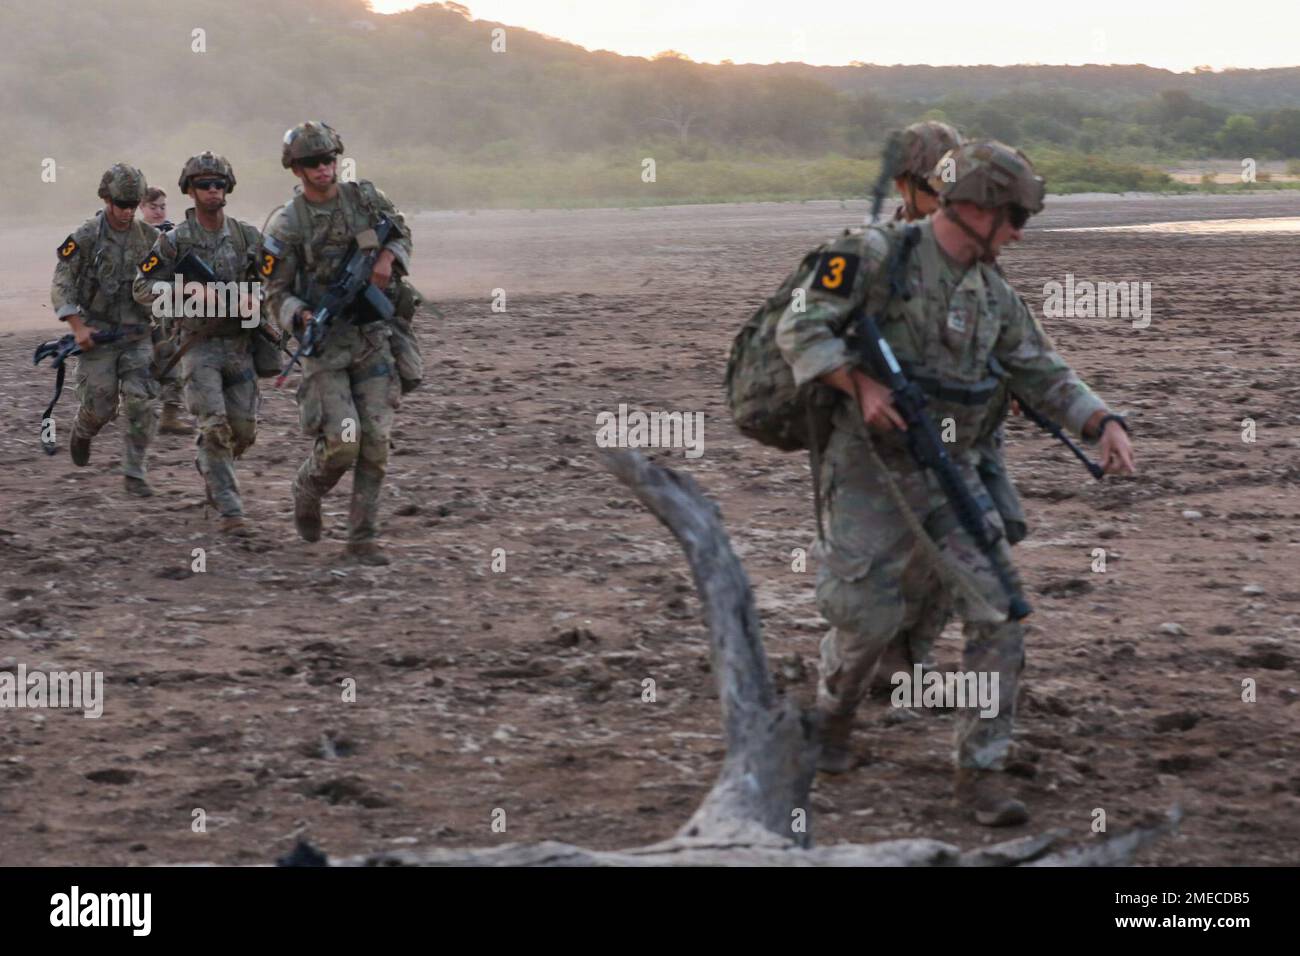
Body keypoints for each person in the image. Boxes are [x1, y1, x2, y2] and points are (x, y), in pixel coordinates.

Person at [775, 141, 1136, 825]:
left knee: (1000, 611)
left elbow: (1039, 368)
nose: (1019, 232)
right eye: (1012, 216)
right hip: (870, 471)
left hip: (953, 474)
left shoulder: (991, 291)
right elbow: (801, 324)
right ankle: (833, 716)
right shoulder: (869, 256)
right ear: (969, 207)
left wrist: (1100, 421)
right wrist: (855, 382)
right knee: (867, 620)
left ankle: (980, 771)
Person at [261, 121, 419, 565]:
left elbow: (400, 230)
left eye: (328, 159)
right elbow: (275, 293)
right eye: (312, 163)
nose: (323, 168)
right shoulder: (287, 223)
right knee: (344, 444)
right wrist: (302, 314)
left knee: (376, 443)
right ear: (296, 169)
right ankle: (307, 486)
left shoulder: (364, 199)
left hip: (370, 337)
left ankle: (362, 538)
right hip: (325, 345)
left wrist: (387, 258)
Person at [133, 152, 263, 534]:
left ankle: (210, 464)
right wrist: (184, 289)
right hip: (198, 346)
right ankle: (230, 511)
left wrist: (256, 298)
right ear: (190, 190)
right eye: (204, 184)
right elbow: (141, 287)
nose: (212, 190)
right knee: (214, 427)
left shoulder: (246, 236)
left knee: (244, 430)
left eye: (218, 184)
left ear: (228, 188)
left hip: (240, 344)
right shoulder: (175, 241)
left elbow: (277, 278)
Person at [51, 163, 161, 496]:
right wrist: (77, 325)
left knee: (141, 402)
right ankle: (83, 430)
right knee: (101, 404)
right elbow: (62, 282)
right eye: (121, 204)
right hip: (97, 335)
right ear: (106, 199)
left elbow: (170, 282)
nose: (127, 211)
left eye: (133, 204)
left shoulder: (152, 239)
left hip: (137, 334)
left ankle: (134, 472)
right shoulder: (85, 236)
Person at [139, 185, 192, 436]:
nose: (159, 211)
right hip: (137, 307)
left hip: (167, 306)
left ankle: (170, 415)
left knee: (172, 357)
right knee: (138, 361)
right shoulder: (134, 235)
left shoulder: (175, 233)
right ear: (141, 208)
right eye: (153, 207)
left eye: (162, 206)